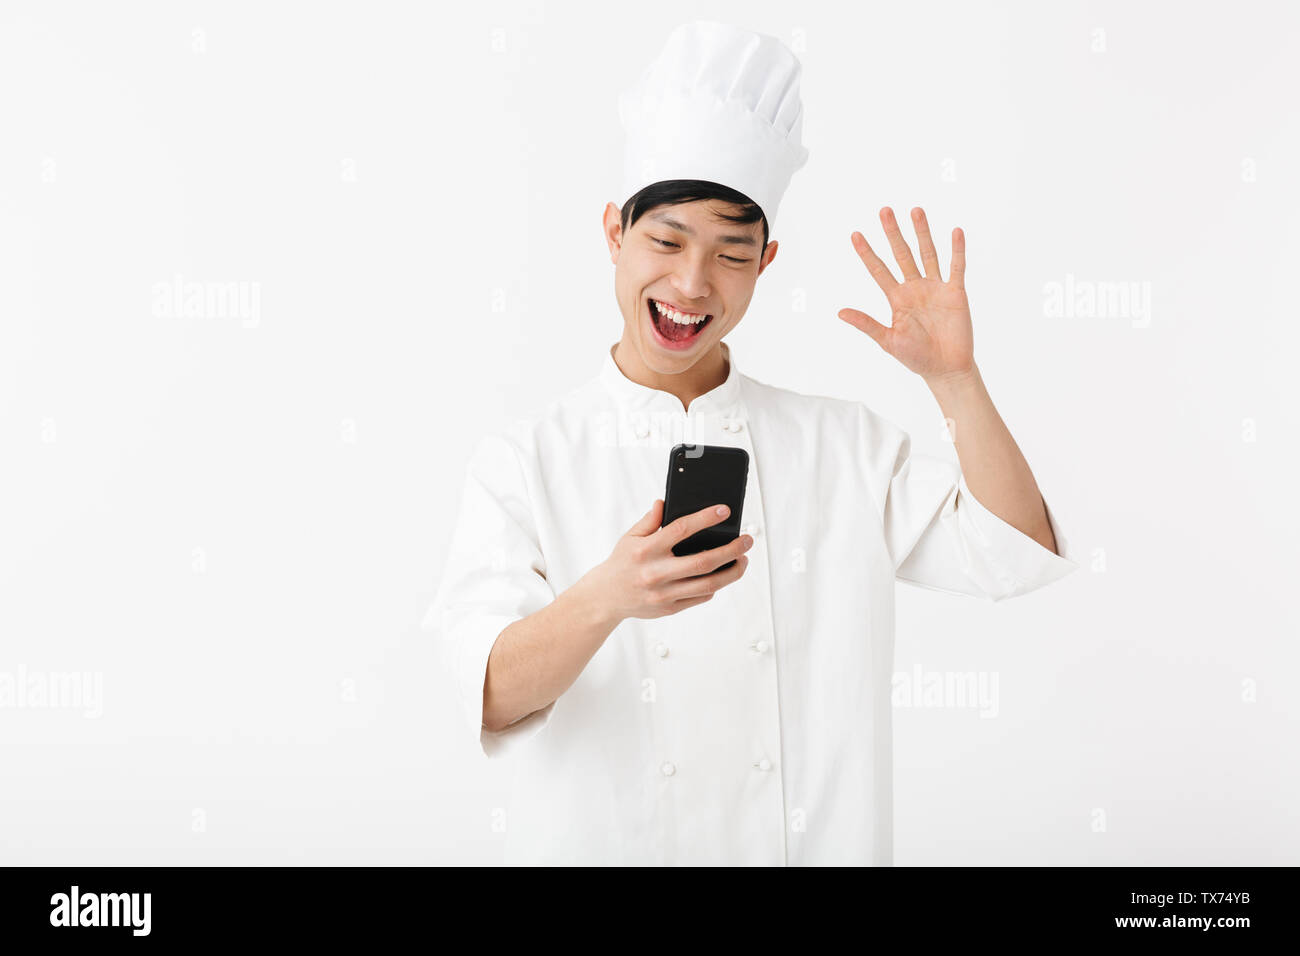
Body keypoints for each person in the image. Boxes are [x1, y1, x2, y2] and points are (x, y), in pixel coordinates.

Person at [428, 19, 1077, 865]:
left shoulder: (842, 446)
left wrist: (954, 381)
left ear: (767, 263)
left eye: (731, 253)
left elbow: (1015, 552)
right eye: (665, 242)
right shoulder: (526, 461)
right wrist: (611, 595)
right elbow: (488, 696)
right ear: (614, 237)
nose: (693, 285)